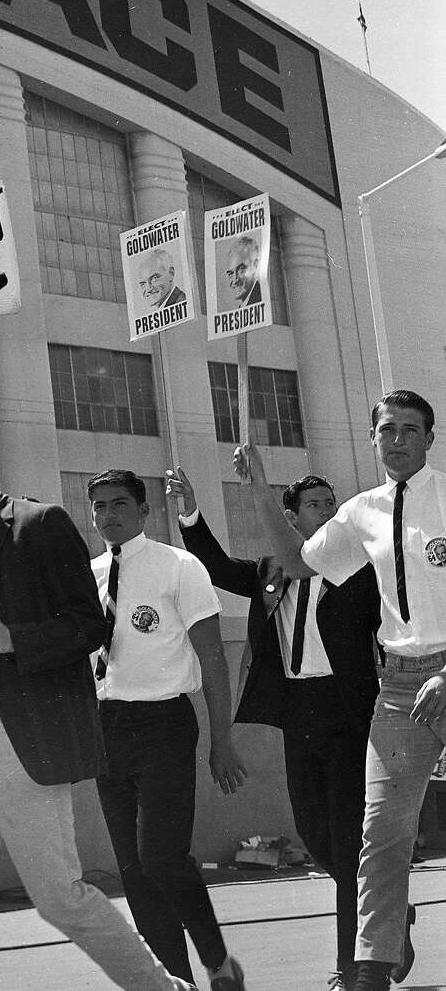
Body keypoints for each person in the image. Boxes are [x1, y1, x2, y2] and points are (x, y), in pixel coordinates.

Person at [0, 422, 199, 991]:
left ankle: (162, 987)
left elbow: (91, 622)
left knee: (59, 895)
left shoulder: (39, 524)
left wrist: (16, 639)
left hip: (22, 731)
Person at [239, 388, 445, 991]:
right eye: (388, 429)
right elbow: (301, 565)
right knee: (380, 835)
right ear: (373, 438)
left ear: (430, 439)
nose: (399, 439)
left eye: (412, 429)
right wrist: (258, 491)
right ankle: (371, 971)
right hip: (399, 688)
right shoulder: (361, 511)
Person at [169, 463, 380, 990]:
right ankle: (382, 910)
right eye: (316, 505)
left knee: (349, 841)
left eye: (332, 503)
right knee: (313, 833)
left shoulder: (354, 566)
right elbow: (214, 565)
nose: (329, 511)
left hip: (347, 712)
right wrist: (190, 510)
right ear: (290, 518)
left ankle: (353, 965)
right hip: (298, 712)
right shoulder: (270, 570)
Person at [85, 470, 248, 990]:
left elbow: (213, 659)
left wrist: (221, 741)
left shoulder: (179, 566)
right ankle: (173, 982)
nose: (108, 515)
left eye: (119, 504)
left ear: (144, 511)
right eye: (99, 506)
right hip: (106, 728)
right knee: (133, 870)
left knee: (162, 857)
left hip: (164, 724)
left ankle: (218, 961)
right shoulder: (86, 576)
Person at [222, 234, 262, 308]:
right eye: (230, 273)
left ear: (255, 265)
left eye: (241, 269)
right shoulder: (244, 305)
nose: (235, 280)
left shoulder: (261, 299)